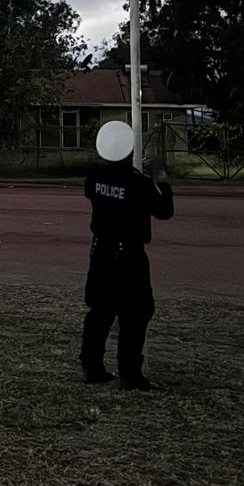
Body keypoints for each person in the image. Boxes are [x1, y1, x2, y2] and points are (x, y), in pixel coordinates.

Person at [80, 120, 174, 390]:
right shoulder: (139, 183)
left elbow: (94, 192)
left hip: (99, 254)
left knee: (99, 312)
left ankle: (92, 365)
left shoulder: (94, 177)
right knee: (136, 313)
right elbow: (164, 211)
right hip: (128, 256)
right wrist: (164, 184)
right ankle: (130, 372)